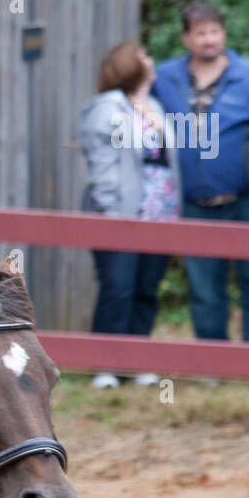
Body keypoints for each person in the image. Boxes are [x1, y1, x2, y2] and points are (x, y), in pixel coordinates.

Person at [151, 1, 249, 346]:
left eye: (215, 31)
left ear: (223, 32)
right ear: (185, 38)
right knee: (204, 284)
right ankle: (212, 359)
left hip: (247, 198)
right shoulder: (164, 78)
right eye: (201, 33)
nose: (209, 40)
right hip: (193, 200)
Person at [79, 41, 181, 388]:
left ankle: (135, 363)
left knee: (145, 289)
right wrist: (111, 214)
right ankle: (105, 365)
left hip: (160, 216)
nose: (150, 60)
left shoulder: (153, 105)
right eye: (143, 55)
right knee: (118, 288)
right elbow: (103, 168)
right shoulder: (107, 109)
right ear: (129, 66)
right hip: (121, 215)